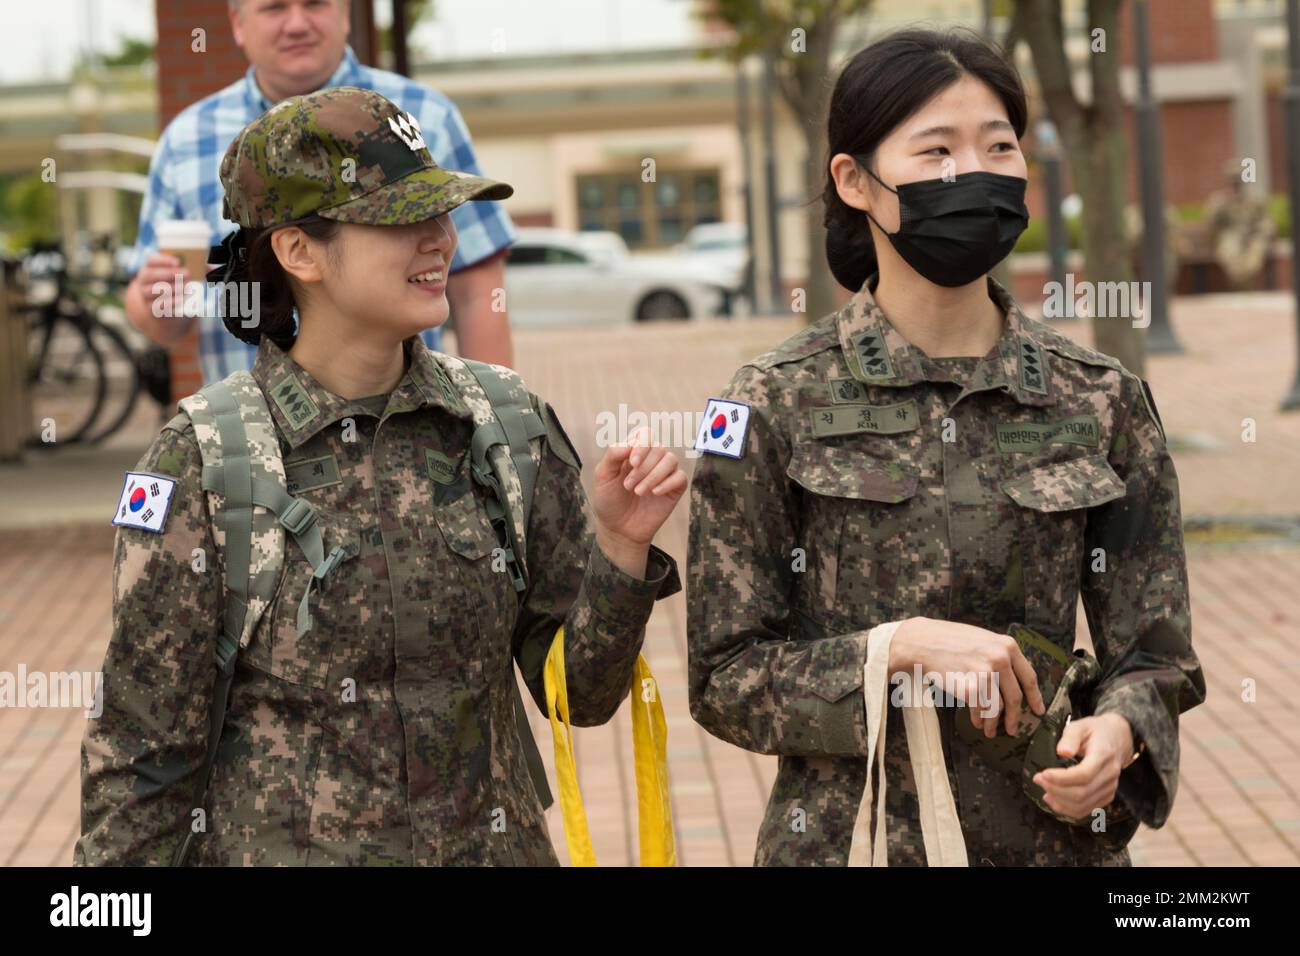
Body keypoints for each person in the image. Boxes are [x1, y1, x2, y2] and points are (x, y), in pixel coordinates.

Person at [77, 86, 685, 866]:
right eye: (401, 220)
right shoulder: (203, 461)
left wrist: (622, 548)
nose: (440, 240)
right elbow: (140, 758)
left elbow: (583, 695)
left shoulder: (505, 423)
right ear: (300, 252)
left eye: (441, 214)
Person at [686, 28, 1205, 866]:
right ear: (856, 181)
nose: (977, 172)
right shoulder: (767, 401)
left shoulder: (1099, 396)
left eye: (999, 146)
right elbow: (724, 679)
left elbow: (1156, 654)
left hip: (1052, 841)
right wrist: (895, 651)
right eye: (937, 150)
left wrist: (1121, 733)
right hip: (851, 842)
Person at [125, 0, 516, 382]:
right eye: (274, 8)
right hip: (243, 438)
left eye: (315, 4)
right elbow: (157, 316)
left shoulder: (422, 115)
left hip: (404, 425)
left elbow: (477, 294)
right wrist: (159, 303)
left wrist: (494, 427)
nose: (297, 23)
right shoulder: (185, 139)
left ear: (345, 12)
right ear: (238, 23)